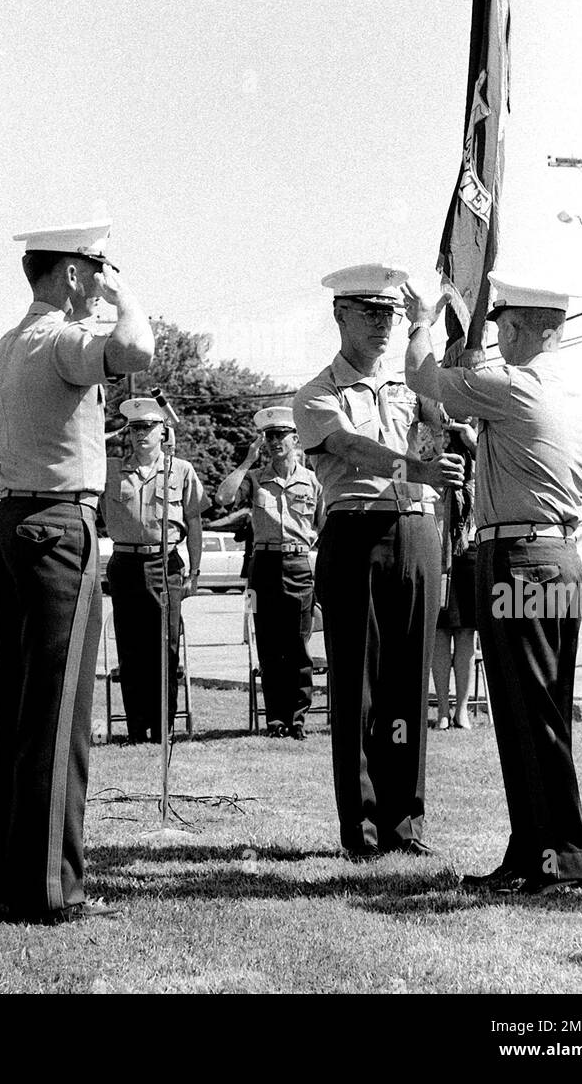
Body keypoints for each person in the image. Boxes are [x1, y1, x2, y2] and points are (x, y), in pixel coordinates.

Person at [0, 215, 153, 924]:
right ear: (71, 273)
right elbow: (135, 347)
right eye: (96, 270)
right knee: (59, 715)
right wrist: (128, 293)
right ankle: (51, 889)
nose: (101, 282)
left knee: (15, 714)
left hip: (11, 526)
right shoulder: (62, 342)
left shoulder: (1, 350)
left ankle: (12, 883)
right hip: (58, 527)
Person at [404, 271, 582, 896]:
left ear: (517, 328)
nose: (497, 341)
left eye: (500, 329)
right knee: (528, 711)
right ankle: (531, 852)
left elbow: (422, 378)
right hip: (550, 556)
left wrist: (421, 321)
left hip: (520, 557)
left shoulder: (516, 387)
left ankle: (560, 858)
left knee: (533, 714)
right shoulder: (561, 392)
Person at [292, 263, 465, 859]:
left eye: (391, 313)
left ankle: (405, 823)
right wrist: (414, 468)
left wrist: (438, 398)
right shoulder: (317, 393)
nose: (382, 325)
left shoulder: (409, 384)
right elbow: (353, 450)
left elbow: (436, 441)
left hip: (416, 530)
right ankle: (362, 830)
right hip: (356, 534)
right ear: (339, 315)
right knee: (359, 686)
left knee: (409, 685)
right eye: (369, 312)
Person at [101, 396, 205, 742]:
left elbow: (193, 521)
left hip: (165, 563)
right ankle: (136, 726)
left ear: (164, 432)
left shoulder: (181, 470)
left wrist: (194, 572)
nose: (142, 434)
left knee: (165, 648)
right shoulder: (111, 469)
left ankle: (163, 727)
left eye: (149, 427)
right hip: (125, 563)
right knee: (130, 649)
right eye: (135, 428)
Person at [217, 406, 324, 740]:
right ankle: (275, 717)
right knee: (268, 640)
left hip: (298, 566)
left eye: (281, 435)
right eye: (270, 436)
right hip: (262, 568)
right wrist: (248, 461)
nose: (275, 441)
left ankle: (297, 717)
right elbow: (223, 497)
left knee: (298, 643)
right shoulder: (254, 478)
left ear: (296, 439)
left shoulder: (313, 481)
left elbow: (324, 525)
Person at [432, 421, 478, 731]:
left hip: (468, 558)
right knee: (438, 636)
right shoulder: (431, 474)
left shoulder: (479, 476)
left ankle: (461, 708)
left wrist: (470, 438)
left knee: (465, 636)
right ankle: (443, 710)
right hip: (436, 558)